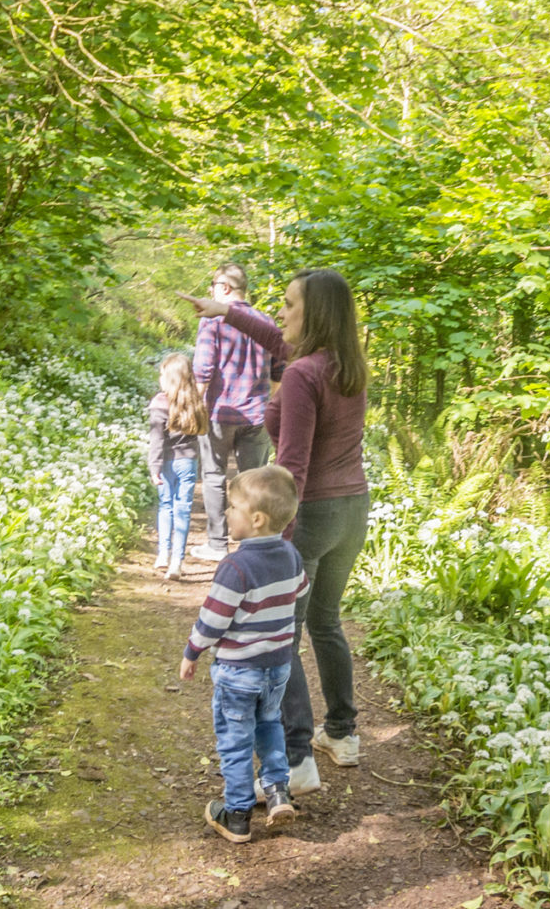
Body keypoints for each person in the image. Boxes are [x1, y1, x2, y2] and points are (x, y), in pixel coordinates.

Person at [179, 269, 369, 796]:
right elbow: (274, 338)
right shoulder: (345, 365)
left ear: (315, 315)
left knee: (279, 639)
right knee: (325, 623)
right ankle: (343, 734)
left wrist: (272, 546)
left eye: (289, 305)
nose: (280, 313)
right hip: (353, 510)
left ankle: (299, 757)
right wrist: (226, 312)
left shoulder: (305, 375)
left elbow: (292, 469)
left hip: (309, 515)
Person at [178, 464, 308, 843]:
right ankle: (278, 792)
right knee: (270, 727)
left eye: (231, 508)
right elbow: (298, 592)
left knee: (235, 741)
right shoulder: (291, 554)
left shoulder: (236, 566)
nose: (225, 513)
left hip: (239, 672)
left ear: (256, 518)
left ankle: (236, 814)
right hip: (278, 667)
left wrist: (192, 652)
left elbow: (213, 619)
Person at [190, 264, 284, 564]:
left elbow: (203, 370)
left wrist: (193, 410)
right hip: (257, 415)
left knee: (214, 476)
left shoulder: (213, 320)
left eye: (213, 284)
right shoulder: (267, 321)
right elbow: (279, 371)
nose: (210, 291)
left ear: (225, 288)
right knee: (253, 482)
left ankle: (217, 544)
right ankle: (252, 546)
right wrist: (272, 407)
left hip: (219, 413)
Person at [147, 353, 209, 581]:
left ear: (169, 378)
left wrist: (154, 467)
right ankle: (177, 562)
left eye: (162, 374)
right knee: (183, 509)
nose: (160, 378)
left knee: (166, 506)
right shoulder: (195, 401)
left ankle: (163, 554)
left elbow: (156, 441)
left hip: (166, 462)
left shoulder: (159, 403)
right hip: (189, 462)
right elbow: (202, 431)